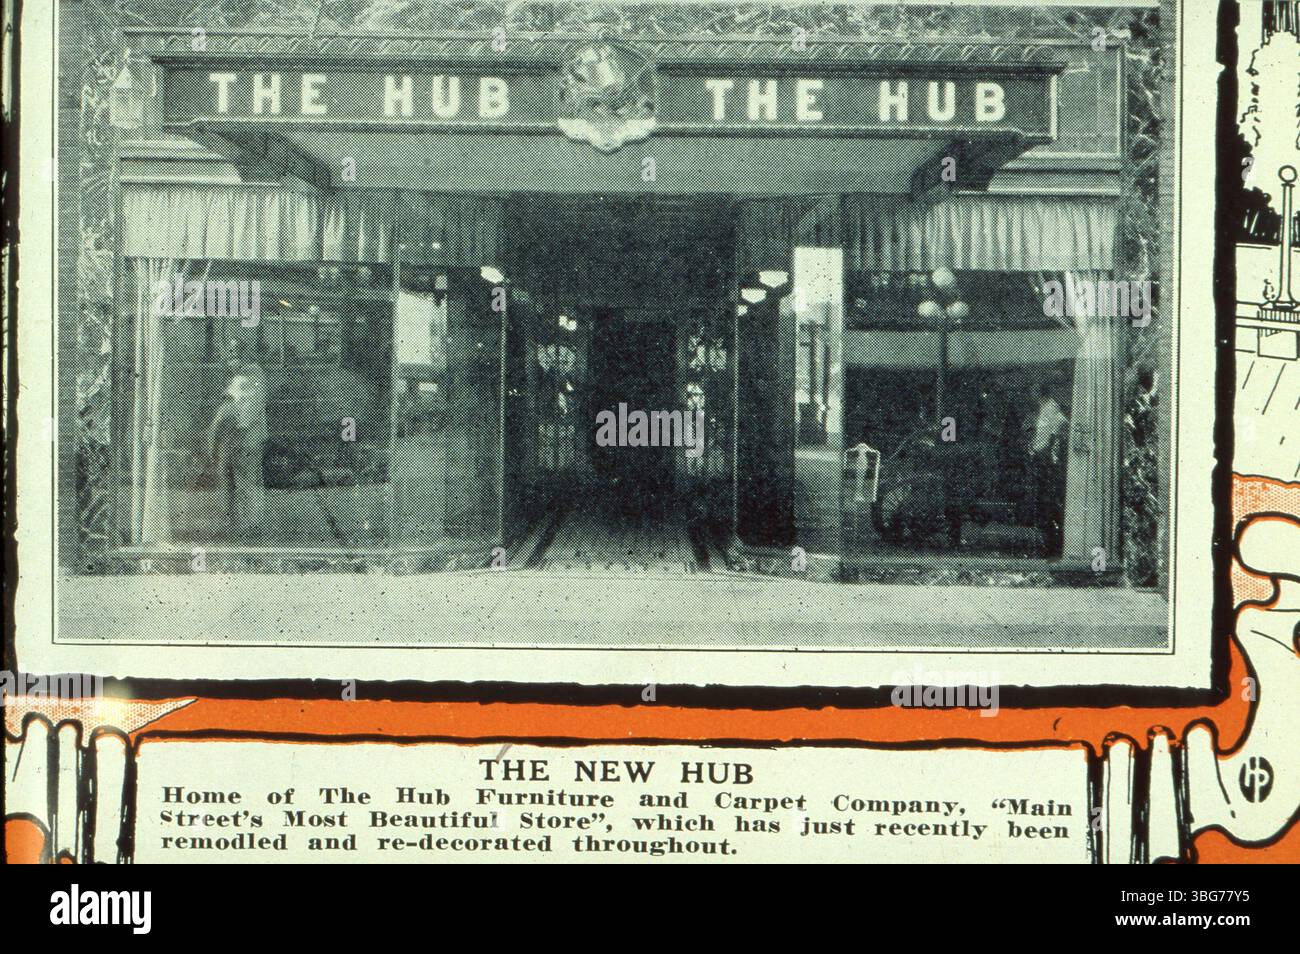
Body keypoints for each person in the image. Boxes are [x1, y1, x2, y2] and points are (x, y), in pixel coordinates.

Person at [207, 354, 268, 540]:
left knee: (247, 483)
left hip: (247, 441)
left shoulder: (252, 376)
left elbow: (249, 409)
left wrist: (238, 428)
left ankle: (251, 524)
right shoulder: (236, 380)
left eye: (236, 355)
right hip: (235, 442)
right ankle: (232, 523)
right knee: (230, 482)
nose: (232, 360)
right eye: (230, 356)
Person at [1028, 381, 1068, 558]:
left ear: (1039, 393)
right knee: (1047, 504)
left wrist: (1035, 451)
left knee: (1048, 504)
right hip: (1047, 463)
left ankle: (1052, 545)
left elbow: (1045, 439)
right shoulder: (1048, 409)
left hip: (1047, 465)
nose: (1031, 396)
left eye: (1033, 391)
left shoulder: (1049, 409)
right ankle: (1050, 543)